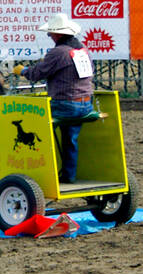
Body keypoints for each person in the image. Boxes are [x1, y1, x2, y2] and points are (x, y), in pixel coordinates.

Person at [21, 13, 96, 185]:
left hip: (66, 105)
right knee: (71, 138)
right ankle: (68, 175)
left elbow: (37, 74)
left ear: (58, 34)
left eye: (50, 34)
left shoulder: (58, 52)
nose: (50, 37)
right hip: (86, 104)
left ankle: (42, 172)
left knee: (32, 121)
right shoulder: (83, 50)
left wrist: (23, 71)